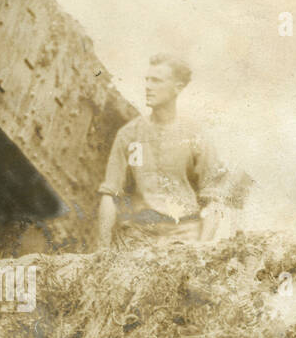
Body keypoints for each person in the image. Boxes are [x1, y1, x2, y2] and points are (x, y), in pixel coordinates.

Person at [96, 54, 228, 249]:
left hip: (184, 237)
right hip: (138, 237)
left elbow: (214, 199)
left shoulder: (195, 134)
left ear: (178, 87)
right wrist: (103, 249)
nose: (148, 86)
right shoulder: (129, 134)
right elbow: (110, 194)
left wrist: (201, 246)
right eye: (147, 80)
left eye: (156, 81)